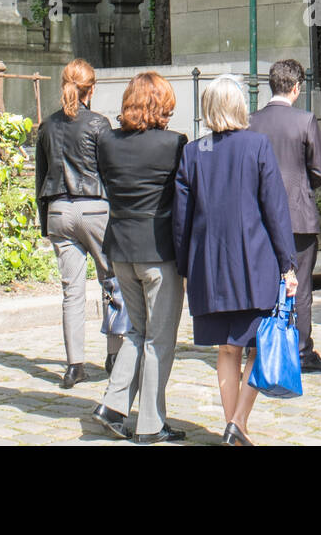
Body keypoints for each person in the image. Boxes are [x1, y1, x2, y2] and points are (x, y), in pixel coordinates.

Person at [173, 75, 297, 446]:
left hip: (208, 266)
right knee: (257, 345)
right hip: (253, 262)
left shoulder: (194, 152)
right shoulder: (257, 145)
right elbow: (276, 210)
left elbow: (181, 218)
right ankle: (238, 421)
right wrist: (287, 264)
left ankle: (233, 424)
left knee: (227, 349)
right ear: (240, 106)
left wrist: (184, 267)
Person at [92, 72, 188, 444]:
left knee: (135, 330)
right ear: (162, 104)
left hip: (119, 246)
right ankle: (150, 424)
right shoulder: (173, 143)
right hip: (158, 251)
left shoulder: (107, 142)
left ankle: (113, 406)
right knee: (159, 339)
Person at [35, 58, 123, 389]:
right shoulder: (99, 124)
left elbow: (40, 178)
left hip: (59, 208)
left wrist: (46, 224)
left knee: (71, 291)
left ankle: (74, 365)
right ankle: (114, 356)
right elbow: (112, 173)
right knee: (111, 282)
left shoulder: (47, 125)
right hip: (95, 208)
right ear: (92, 88)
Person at [248, 58, 321, 373]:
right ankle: (300, 350)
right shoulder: (305, 120)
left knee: (265, 281)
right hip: (298, 214)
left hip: (259, 217)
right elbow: (319, 170)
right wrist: (302, 189)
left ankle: (260, 343)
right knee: (300, 284)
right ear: (297, 88)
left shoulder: (252, 120)